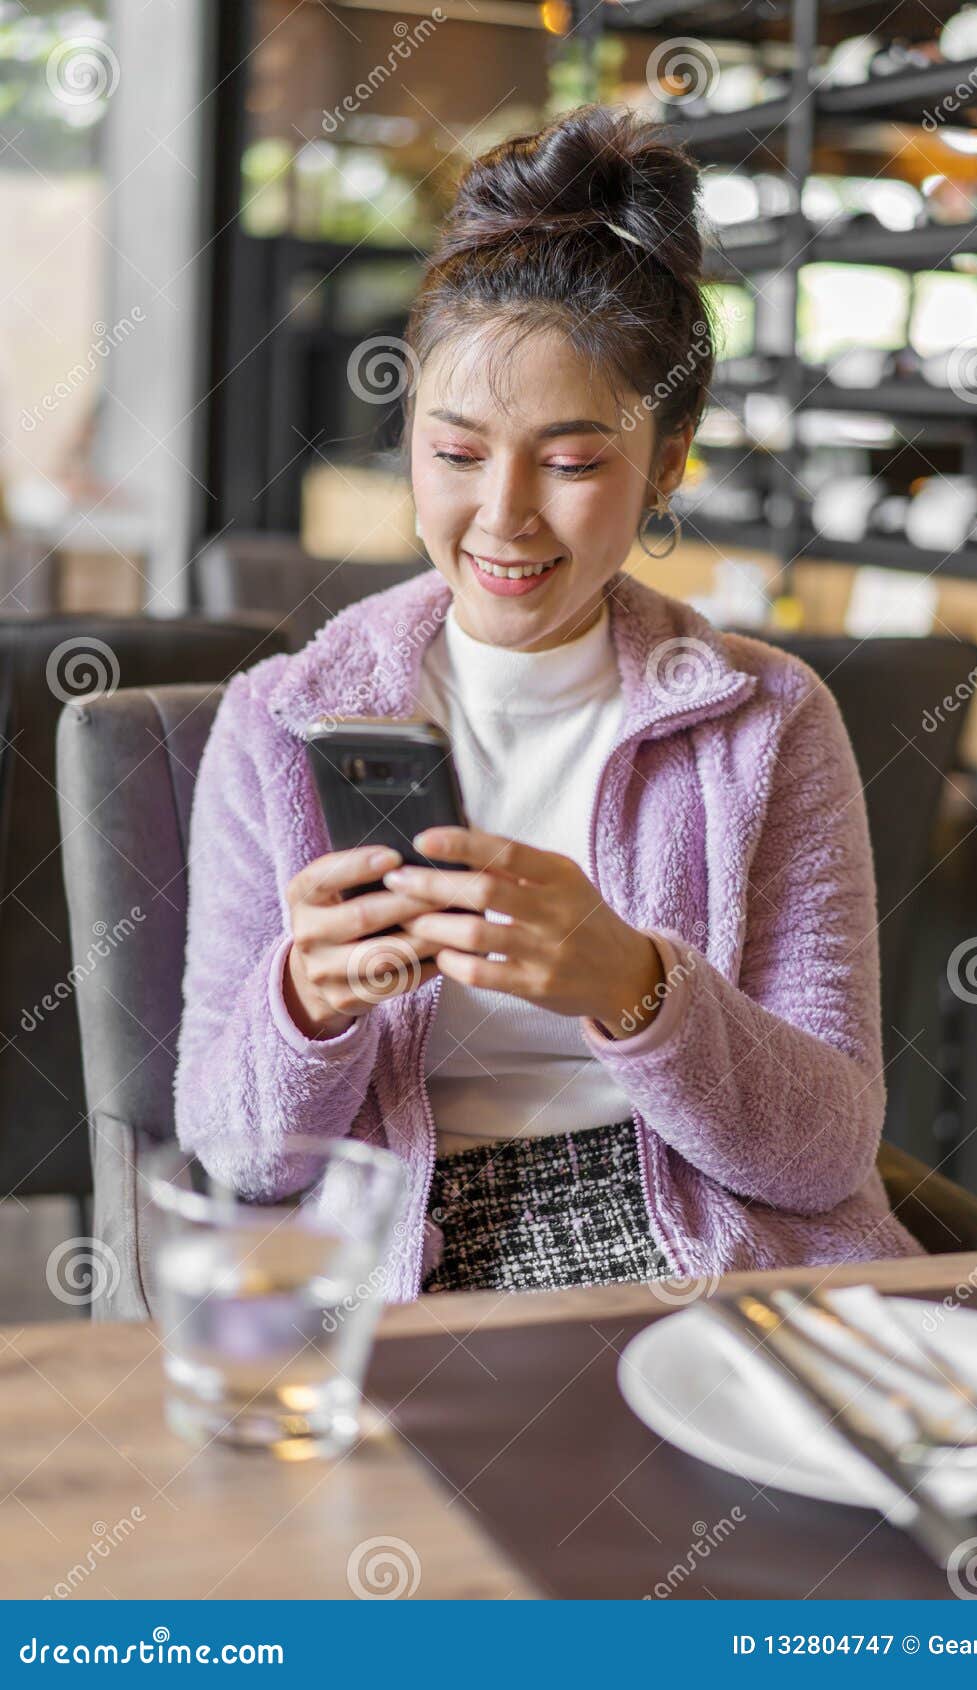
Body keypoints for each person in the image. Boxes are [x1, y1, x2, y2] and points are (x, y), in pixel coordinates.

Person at [173, 104, 924, 1300]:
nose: (504, 516)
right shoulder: (279, 722)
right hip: (402, 1259)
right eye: (456, 453)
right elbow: (236, 1151)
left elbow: (823, 1149)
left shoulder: (765, 721)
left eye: (571, 463)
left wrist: (633, 987)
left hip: (709, 1247)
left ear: (667, 459)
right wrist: (307, 1000)